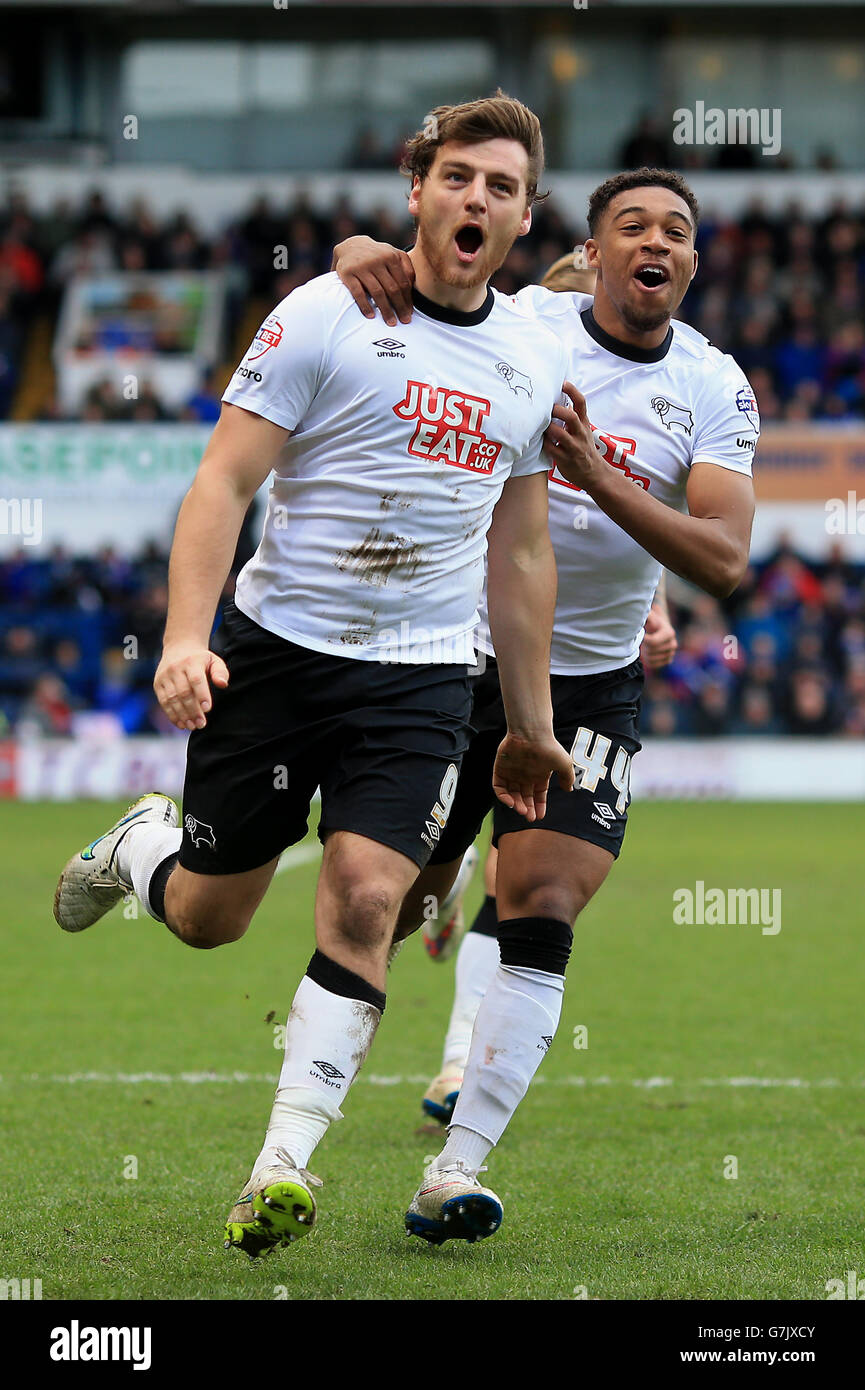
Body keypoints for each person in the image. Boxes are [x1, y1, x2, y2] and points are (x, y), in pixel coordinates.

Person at [53, 93, 577, 1257]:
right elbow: (220, 484)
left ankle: (281, 1159)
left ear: (525, 214)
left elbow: (525, 547)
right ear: (417, 191)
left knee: (368, 900)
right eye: (457, 179)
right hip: (278, 653)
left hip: (423, 675)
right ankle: (142, 843)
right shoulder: (323, 313)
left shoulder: (532, 354)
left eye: (501, 187)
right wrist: (186, 638)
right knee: (209, 917)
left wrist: (530, 724)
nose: (476, 201)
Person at [331, 166, 756, 1245]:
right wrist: (349, 256)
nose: (655, 241)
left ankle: (453, 1169)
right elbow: (396, 285)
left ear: (691, 264)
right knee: (394, 903)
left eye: (677, 230)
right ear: (594, 253)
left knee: (545, 900)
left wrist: (602, 479)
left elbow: (726, 556)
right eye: (632, 225)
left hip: (594, 682)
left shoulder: (714, 385)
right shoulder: (524, 326)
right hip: (456, 654)